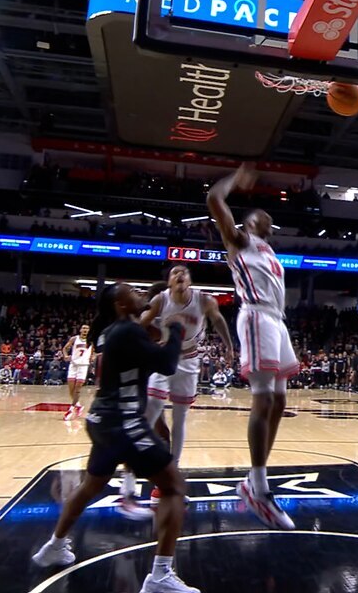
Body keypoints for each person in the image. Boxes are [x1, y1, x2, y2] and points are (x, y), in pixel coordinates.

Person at [30, 283, 199, 593]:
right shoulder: (127, 330)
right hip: (123, 421)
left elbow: (144, 361)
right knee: (174, 486)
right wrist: (175, 331)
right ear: (121, 305)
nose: (139, 294)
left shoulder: (112, 331)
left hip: (101, 419)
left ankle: (55, 545)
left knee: (90, 485)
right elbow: (166, 364)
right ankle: (160, 575)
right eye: (132, 292)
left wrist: (156, 325)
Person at [208, 161, 297, 530]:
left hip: (277, 321)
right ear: (248, 223)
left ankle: (256, 479)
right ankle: (257, 487)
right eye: (261, 214)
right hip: (257, 316)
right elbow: (213, 198)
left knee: (279, 401)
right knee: (263, 400)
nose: (267, 219)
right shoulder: (240, 241)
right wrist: (236, 180)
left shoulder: (271, 252)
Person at [122, 266, 234, 505]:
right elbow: (142, 323)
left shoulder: (203, 299)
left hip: (190, 360)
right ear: (169, 282)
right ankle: (129, 475)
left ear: (190, 280)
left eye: (184, 271)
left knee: (180, 419)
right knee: (150, 410)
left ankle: (172, 471)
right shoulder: (160, 300)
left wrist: (229, 345)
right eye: (175, 272)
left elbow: (219, 320)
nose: (180, 274)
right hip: (164, 356)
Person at [62, 324, 93, 421]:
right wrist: (66, 356)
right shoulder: (74, 339)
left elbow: (93, 352)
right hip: (73, 365)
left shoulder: (91, 340)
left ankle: (71, 410)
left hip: (83, 366)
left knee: (77, 389)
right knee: (71, 390)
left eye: (87, 329)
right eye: (83, 328)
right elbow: (65, 348)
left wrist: (93, 357)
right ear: (80, 330)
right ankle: (78, 406)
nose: (85, 330)